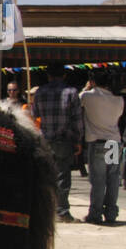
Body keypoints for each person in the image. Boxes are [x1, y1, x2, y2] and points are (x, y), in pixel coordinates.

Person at [30, 67, 82, 223]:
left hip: (45, 139)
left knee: (46, 176)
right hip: (64, 139)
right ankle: (61, 211)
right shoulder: (72, 92)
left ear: (48, 75)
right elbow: (77, 119)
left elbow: (34, 114)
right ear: (64, 75)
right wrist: (79, 140)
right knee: (63, 176)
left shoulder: (40, 92)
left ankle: (45, 210)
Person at [80, 71, 125, 225]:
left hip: (98, 142)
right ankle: (111, 212)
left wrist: (86, 88)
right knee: (113, 178)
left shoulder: (88, 96)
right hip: (114, 142)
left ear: (92, 81)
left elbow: (78, 100)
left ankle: (95, 213)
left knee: (98, 180)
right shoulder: (118, 100)